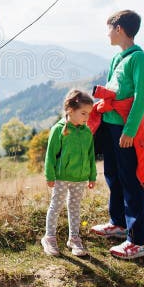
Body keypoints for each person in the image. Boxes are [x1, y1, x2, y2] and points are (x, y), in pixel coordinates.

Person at [90, 10, 144, 259]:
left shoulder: (140, 59)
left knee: (130, 181)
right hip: (109, 124)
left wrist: (130, 130)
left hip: (125, 128)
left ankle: (138, 242)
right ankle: (118, 223)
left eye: (109, 28)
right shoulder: (118, 58)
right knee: (113, 175)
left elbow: (141, 96)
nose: (106, 33)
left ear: (119, 29)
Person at [40, 89, 96, 257]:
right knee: (56, 206)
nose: (86, 117)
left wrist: (92, 176)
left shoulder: (87, 132)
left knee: (75, 208)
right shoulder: (58, 130)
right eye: (83, 113)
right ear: (70, 110)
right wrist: (49, 176)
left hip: (80, 178)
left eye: (89, 114)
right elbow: (50, 155)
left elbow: (91, 155)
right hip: (61, 177)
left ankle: (74, 239)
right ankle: (49, 238)